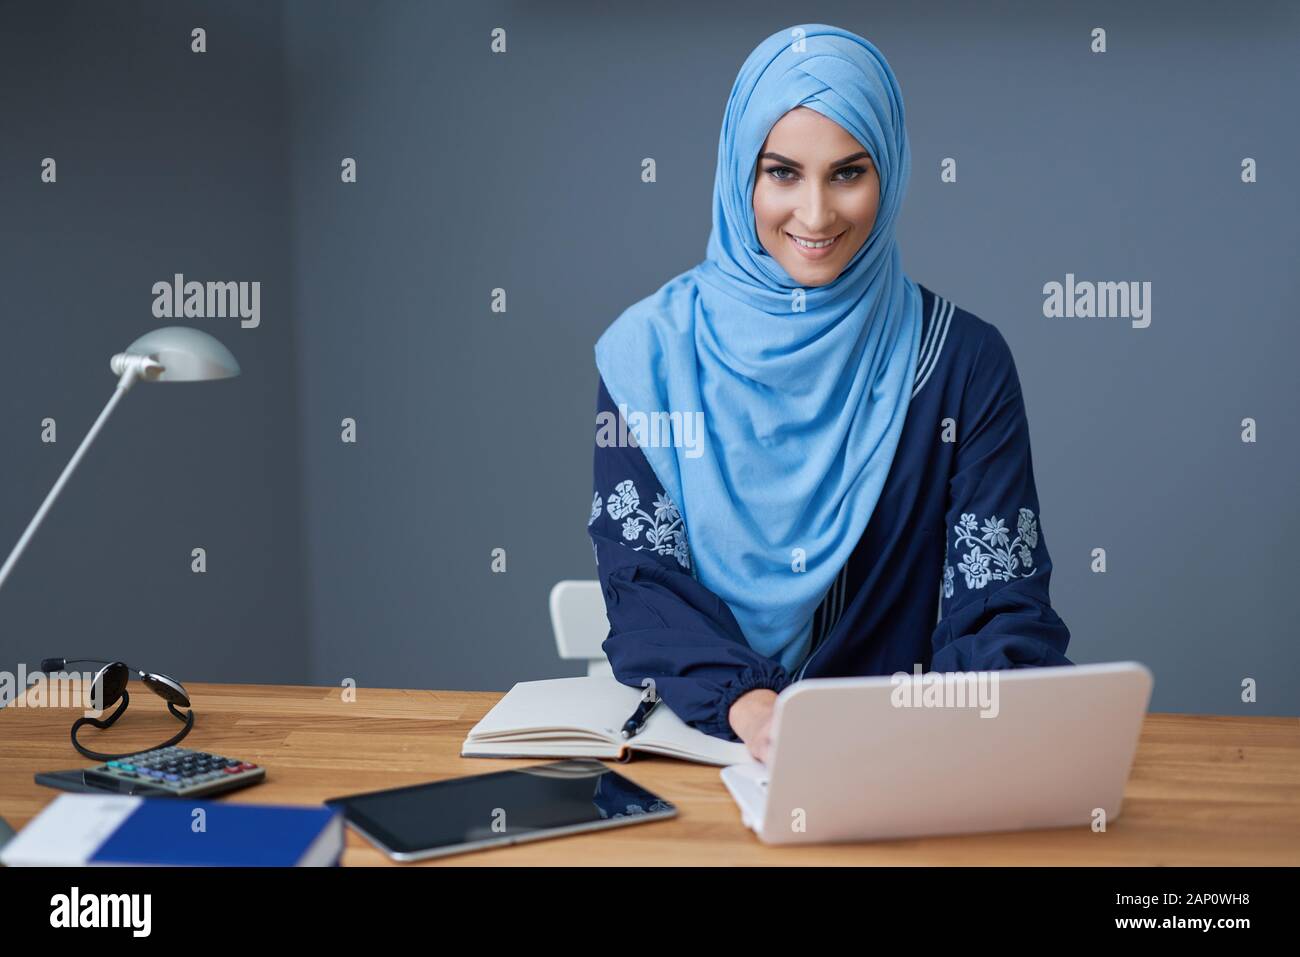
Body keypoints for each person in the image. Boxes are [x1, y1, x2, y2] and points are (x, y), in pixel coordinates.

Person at [587, 23, 1072, 763]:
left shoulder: (961, 362)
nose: (815, 216)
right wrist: (757, 712)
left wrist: (930, 742)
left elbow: (1001, 607)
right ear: (739, 173)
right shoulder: (648, 357)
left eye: (848, 173)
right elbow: (643, 590)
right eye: (783, 172)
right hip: (705, 757)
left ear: (893, 174)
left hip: (899, 768)